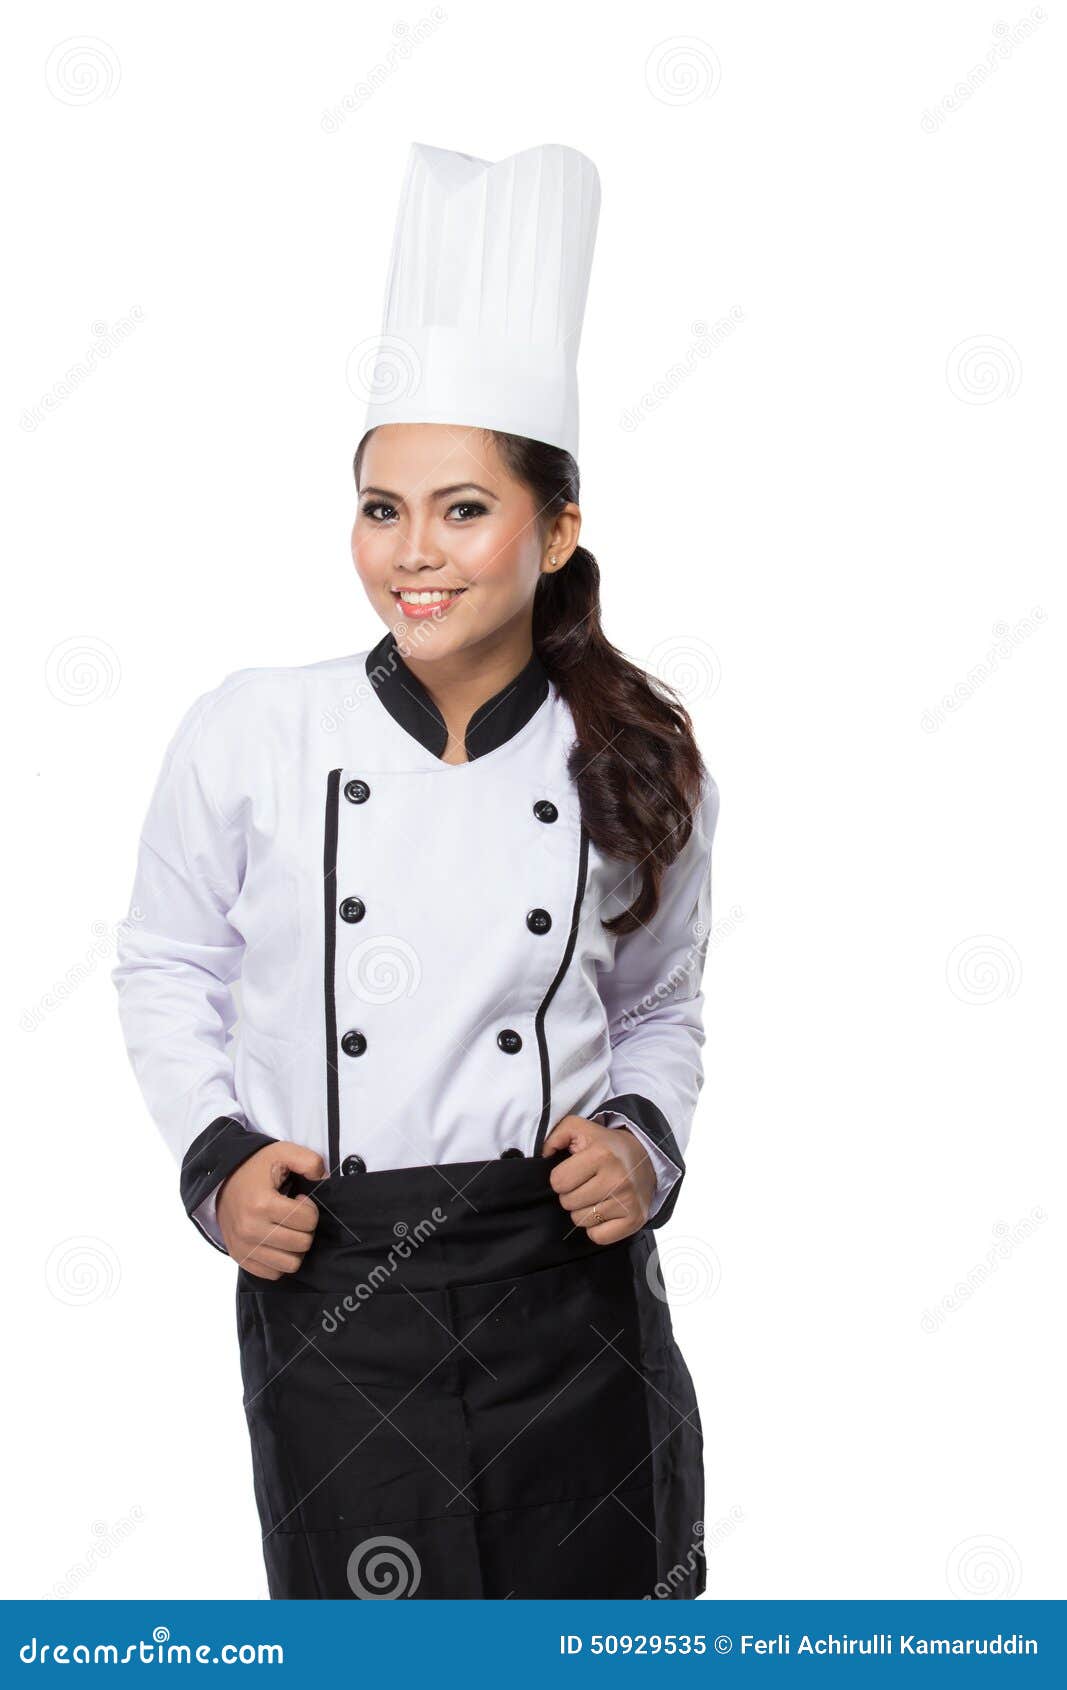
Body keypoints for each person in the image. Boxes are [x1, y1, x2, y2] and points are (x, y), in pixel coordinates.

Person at [112, 141, 720, 1601]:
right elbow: (166, 963)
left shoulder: (634, 758)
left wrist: (643, 1141)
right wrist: (216, 1160)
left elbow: (662, 1005)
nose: (412, 553)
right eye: (382, 508)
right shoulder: (254, 729)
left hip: (563, 1291)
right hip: (335, 1290)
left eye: (462, 508)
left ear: (555, 531)